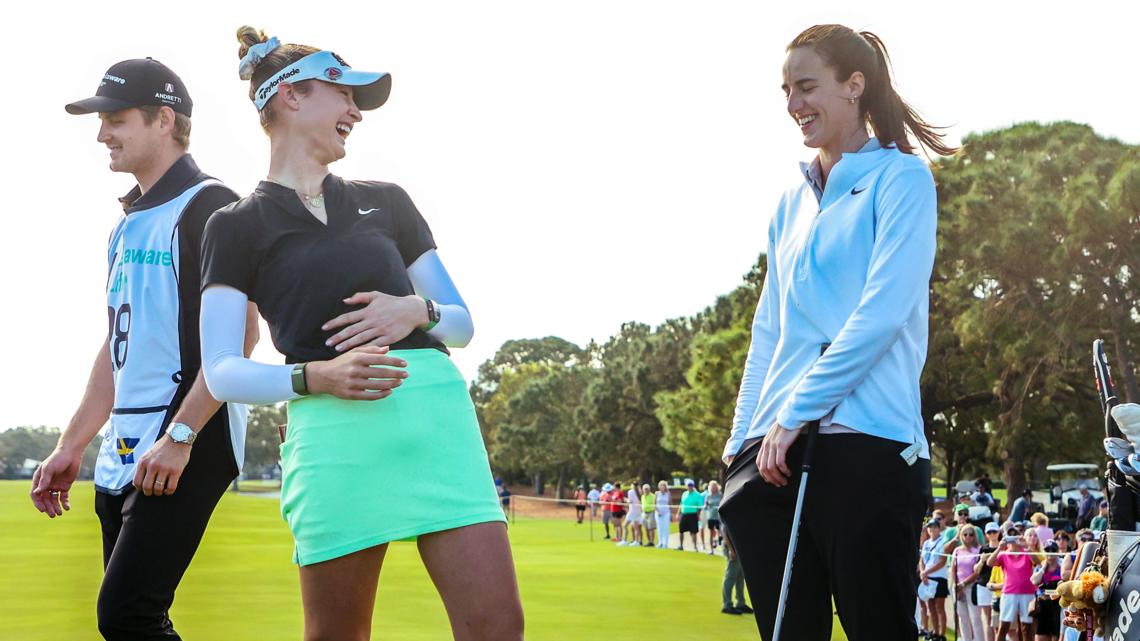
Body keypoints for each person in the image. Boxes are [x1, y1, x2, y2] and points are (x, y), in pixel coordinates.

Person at [198, 28, 523, 640]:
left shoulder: (389, 201)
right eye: (343, 93)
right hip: (334, 437)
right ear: (292, 97)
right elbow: (221, 369)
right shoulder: (234, 225)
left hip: (437, 429)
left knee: (498, 632)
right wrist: (312, 376)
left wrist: (415, 310)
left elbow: (461, 323)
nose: (354, 111)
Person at [717, 23, 954, 641]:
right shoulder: (788, 205)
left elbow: (882, 313)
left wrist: (797, 411)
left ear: (855, 86)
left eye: (807, 86)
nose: (794, 105)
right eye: (786, 91)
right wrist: (738, 448)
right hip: (772, 458)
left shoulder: (902, 179)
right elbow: (769, 329)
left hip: (868, 447)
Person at [30, 57, 257, 641]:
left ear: (164, 120)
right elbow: (117, 346)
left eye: (116, 118)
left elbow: (240, 339)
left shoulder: (210, 207)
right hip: (125, 444)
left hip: (187, 437)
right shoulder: (126, 223)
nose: (102, 133)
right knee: (133, 623)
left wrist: (180, 438)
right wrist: (71, 445)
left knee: (127, 615)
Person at [987, 534, 1035, 641]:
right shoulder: (1003, 554)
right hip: (1009, 593)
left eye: (1015, 535)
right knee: (1004, 625)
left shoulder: (1026, 552)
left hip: (1027, 593)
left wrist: (1026, 546)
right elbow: (989, 562)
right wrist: (1000, 547)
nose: (1013, 539)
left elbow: (1037, 562)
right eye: (1010, 536)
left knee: (1027, 626)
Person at [950, 526, 983, 641]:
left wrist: (963, 584)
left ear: (975, 536)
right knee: (962, 618)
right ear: (961, 536)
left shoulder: (978, 550)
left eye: (971, 534)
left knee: (975, 618)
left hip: (972, 586)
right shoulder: (957, 550)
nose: (968, 537)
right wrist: (957, 586)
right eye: (965, 534)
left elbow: (977, 572)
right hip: (958, 587)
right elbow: (953, 569)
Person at [919, 520, 950, 641]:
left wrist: (926, 572)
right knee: (930, 606)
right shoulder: (926, 543)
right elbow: (922, 560)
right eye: (930, 528)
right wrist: (923, 572)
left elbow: (942, 562)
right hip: (927, 578)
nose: (932, 530)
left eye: (935, 527)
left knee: (939, 607)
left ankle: (942, 634)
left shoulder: (943, 542)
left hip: (939, 577)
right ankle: (935, 631)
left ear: (939, 529)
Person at [974, 522, 1002, 641]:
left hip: (999, 587)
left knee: (1000, 621)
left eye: (994, 532)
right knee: (988, 620)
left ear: (998, 533)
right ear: (986, 534)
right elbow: (976, 570)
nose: (992, 534)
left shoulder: (1003, 548)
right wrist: (981, 561)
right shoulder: (983, 549)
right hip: (984, 586)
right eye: (989, 532)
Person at [1031, 541, 1063, 641]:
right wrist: (1043, 568)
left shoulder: (1061, 567)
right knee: (1040, 637)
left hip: (1057, 606)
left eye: (1053, 550)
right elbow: (1034, 581)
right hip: (1043, 606)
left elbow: (1063, 588)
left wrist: (1049, 592)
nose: (1050, 552)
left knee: (1056, 636)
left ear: (1057, 551)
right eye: (1047, 550)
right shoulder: (1040, 567)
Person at [721, 530, 753, 615]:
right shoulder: (728, 516)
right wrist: (731, 550)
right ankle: (727, 605)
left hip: (738, 546)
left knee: (740, 577)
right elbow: (724, 530)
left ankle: (740, 603)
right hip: (732, 547)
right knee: (730, 577)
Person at [678, 479, 703, 551]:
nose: (689, 487)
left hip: (693, 515)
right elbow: (681, 504)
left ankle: (695, 546)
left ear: (693, 486)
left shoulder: (697, 495)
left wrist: (697, 515)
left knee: (693, 531)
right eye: (688, 485)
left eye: (691, 485)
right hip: (684, 514)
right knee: (681, 531)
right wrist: (678, 513)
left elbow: (700, 507)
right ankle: (681, 546)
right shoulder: (684, 493)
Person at [705, 480, 723, 555]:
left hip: (718, 517)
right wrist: (706, 505)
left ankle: (719, 542)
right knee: (711, 533)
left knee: (720, 532)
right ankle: (712, 550)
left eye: (714, 486)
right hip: (711, 516)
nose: (713, 488)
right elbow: (705, 506)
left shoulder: (720, 495)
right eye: (712, 487)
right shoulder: (708, 496)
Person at [655, 481, 672, 549]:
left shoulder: (668, 494)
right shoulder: (657, 493)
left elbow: (670, 504)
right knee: (659, 528)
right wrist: (658, 511)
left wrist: (671, 514)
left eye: (664, 486)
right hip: (658, 513)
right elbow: (655, 504)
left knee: (666, 528)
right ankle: (660, 543)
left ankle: (666, 544)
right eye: (661, 486)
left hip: (666, 513)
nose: (662, 487)